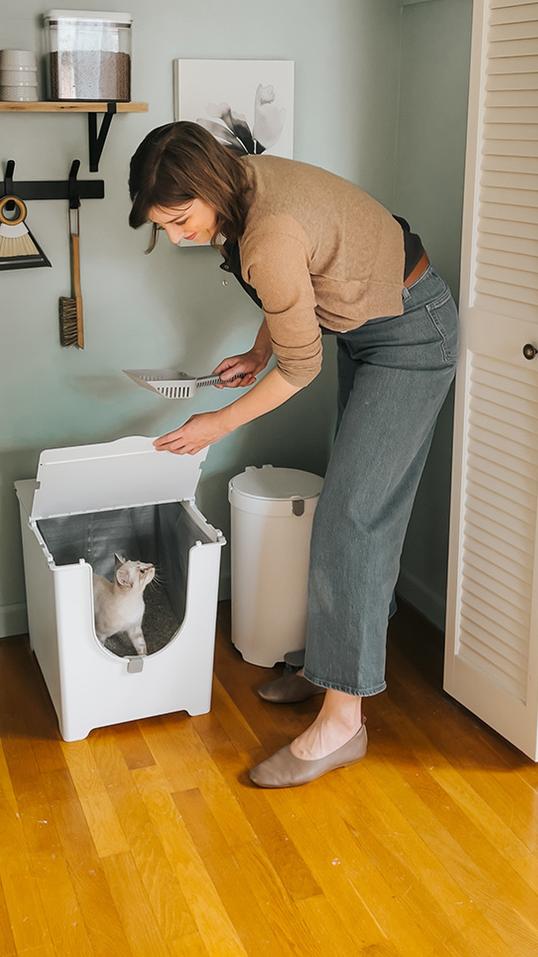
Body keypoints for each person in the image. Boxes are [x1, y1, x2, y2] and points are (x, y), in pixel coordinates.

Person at [128, 122, 458, 788]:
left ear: (207, 187)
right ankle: (333, 666)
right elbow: (296, 288)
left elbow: (300, 361)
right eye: (163, 225)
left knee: (353, 517)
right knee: (358, 510)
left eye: (180, 218)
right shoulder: (249, 183)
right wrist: (258, 352)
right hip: (368, 324)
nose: (177, 236)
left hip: (410, 337)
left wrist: (216, 424)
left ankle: (344, 723)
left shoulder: (266, 234)